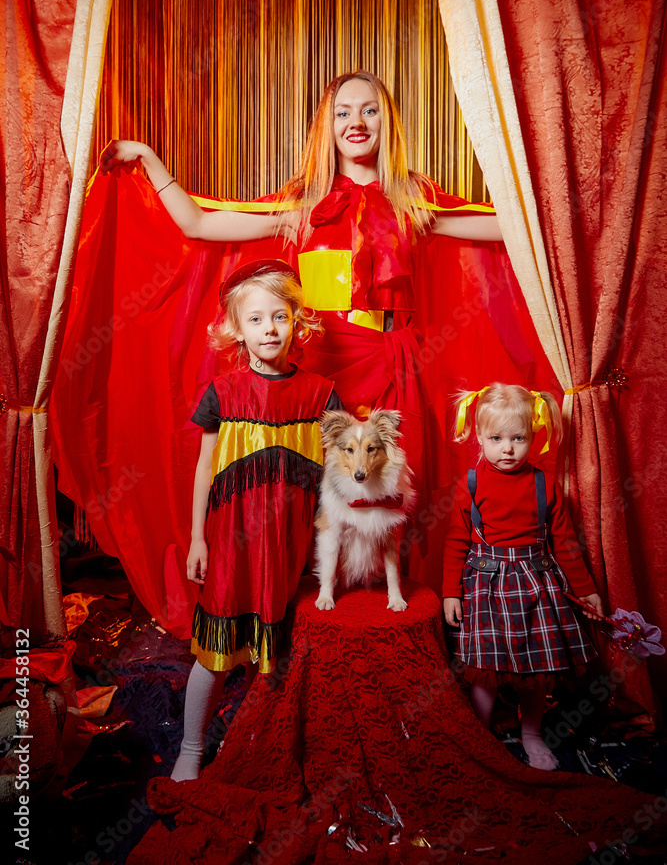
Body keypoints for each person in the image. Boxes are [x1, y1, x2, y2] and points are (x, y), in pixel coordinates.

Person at [99, 71, 504, 582]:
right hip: (322, 368)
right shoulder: (305, 200)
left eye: (369, 110)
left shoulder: (411, 198)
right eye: (343, 112)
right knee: (315, 486)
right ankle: (300, 598)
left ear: (389, 121)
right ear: (326, 127)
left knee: (390, 486)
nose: (356, 121)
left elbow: (509, 226)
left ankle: (388, 600)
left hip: (392, 363)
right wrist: (148, 158)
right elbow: (199, 224)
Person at [171, 258, 342, 782]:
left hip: (294, 546)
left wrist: (328, 550)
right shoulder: (222, 393)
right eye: (256, 319)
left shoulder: (321, 394)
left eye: (280, 317)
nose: (269, 329)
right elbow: (204, 469)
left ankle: (271, 742)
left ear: (298, 321)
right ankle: (192, 746)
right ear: (236, 330)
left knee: (286, 654)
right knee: (218, 653)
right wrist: (198, 539)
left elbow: (337, 479)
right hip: (232, 544)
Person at [442, 383, 604, 771]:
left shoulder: (544, 484)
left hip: (535, 582)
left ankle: (531, 734)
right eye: (496, 439)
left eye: (518, 438)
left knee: (536, 670)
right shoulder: (471, 484)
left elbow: (564, 542)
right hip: (487, 584)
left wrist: (588, 591)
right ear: (479, 437)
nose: (508, 449)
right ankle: (480, 734)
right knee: (485, 671)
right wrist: (451, 593)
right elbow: (455, 540)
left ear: (533, 437)